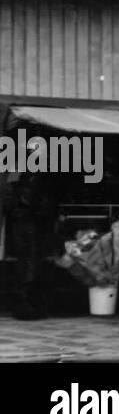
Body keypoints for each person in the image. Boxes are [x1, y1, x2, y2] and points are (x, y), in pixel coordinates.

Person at [2, 136, 65, 320]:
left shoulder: (26, 171)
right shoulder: (31, 172)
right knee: (30, 262)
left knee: (30, 262)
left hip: (28, 219)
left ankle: (28, 303)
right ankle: (28, 304)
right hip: (29, 220)